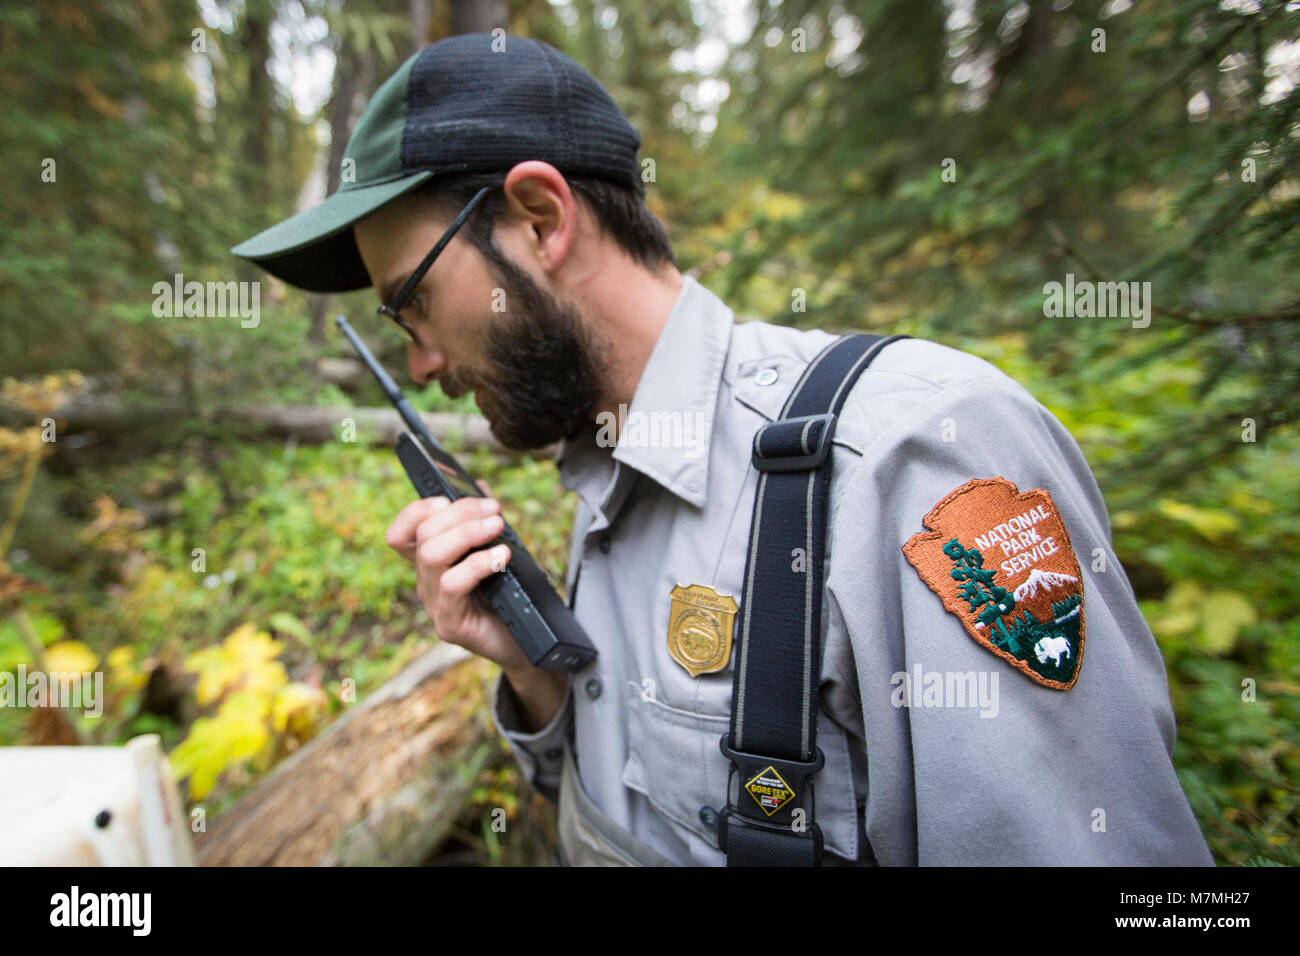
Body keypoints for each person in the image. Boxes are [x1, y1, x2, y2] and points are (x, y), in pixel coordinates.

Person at [233, 33, 1215, 866]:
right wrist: (532, 676)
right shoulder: (606, 469)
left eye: (409, 300)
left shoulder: (912, 460)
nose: (425, 358)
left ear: (540, 220)